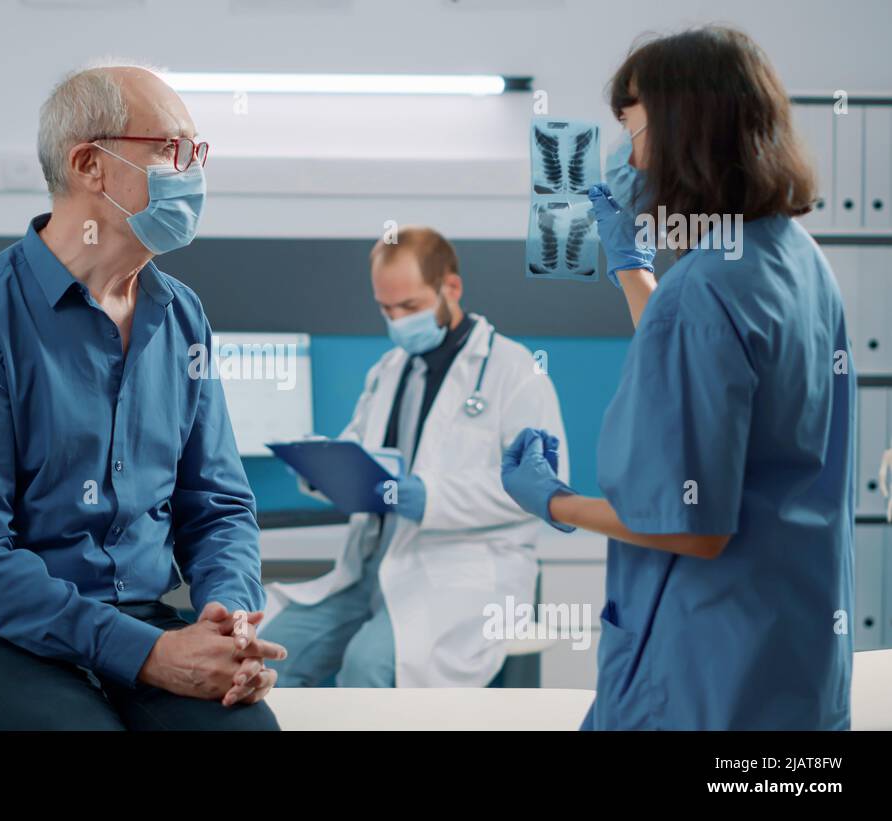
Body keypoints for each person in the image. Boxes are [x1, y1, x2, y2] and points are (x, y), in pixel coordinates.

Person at [0, 63, 286, 730]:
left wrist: (227, 617)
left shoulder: (181, 315)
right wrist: (149, 657)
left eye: (197, 151)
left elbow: (218, 504)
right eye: (171, 148)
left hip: (141, 616)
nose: (191, 171)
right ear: (90, 164)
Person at [501, 26, 854, 729]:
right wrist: (632, 268)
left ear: (683, 130)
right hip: (791, 667)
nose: (625, 155)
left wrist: (555, 502)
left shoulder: (703, 290)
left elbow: (693, 529)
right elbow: (699, 370)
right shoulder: (795, 256)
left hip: (702, 675)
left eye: (631, 128)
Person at [260, 227, 569, 688]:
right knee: (266, 655)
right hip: (371, 567)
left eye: (410, 307)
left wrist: (430, 496)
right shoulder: (389, 371)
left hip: (458, 574)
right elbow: (358, 453)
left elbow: (545, 488)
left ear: (451, 287)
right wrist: (322, 468)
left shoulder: (514, 371)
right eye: (386, 309)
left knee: (369, 666)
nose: (398, 321)